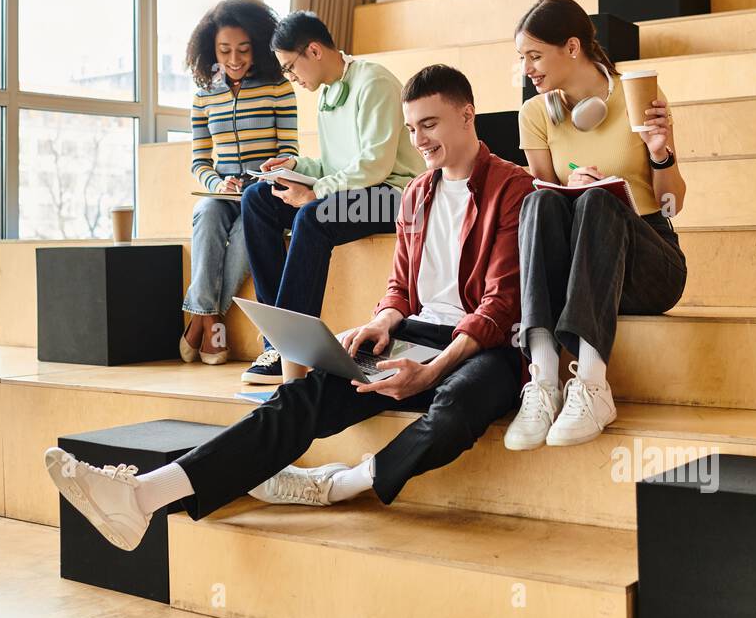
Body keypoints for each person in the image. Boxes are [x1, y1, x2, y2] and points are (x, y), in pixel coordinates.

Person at [43, 65, 533, 548]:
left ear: (467, 115)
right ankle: (143, 496)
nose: (420, 139)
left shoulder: (513, 187)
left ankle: (346, 483)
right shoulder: (415, 194)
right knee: (301, 397)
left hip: (486, 349)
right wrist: (381, 323)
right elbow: (401, 289)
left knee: (458, 407)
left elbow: (499, 306)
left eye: (430, 124)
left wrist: (430, 373)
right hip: (417, 336)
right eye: (411, 128)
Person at [504, 0, 687, 451]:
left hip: (651, 262)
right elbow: (547, 211)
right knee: (538, 205)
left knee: (599, 203)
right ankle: (544, 380)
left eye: (534, 55)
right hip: (582, 270)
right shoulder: (534, 114)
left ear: (570, 47)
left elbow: (672, 204)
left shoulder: (638, 97)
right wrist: (577, 187)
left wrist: (660, 151)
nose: (526, 67)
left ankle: (591, 384)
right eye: (521, 57)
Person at [239, 10, 423, 385]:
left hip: (395, 197)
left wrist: (314, 192)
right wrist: (296, 166)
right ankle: (279, 336)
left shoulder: (374, 82)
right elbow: (332, 163)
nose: (292, 78)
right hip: (357, 193)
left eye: (291, 67)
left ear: (314, 50)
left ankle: (293, 349)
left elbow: (373, 165)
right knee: (257, 198)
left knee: (313, 216)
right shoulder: (327, 94)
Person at [180, 0, 297, 366]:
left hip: (265, 195)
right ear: (210, 50)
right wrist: (218, 185)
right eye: (225, 50)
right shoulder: (203, 97)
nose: (234, 59)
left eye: (244, 50)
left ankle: (200, 322)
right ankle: (209, 318)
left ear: (258, 46)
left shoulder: (278, 87)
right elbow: (199, 162)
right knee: (206, 214)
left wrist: (272, 171)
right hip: (223, 193)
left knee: (249, 232)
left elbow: (291, 149)